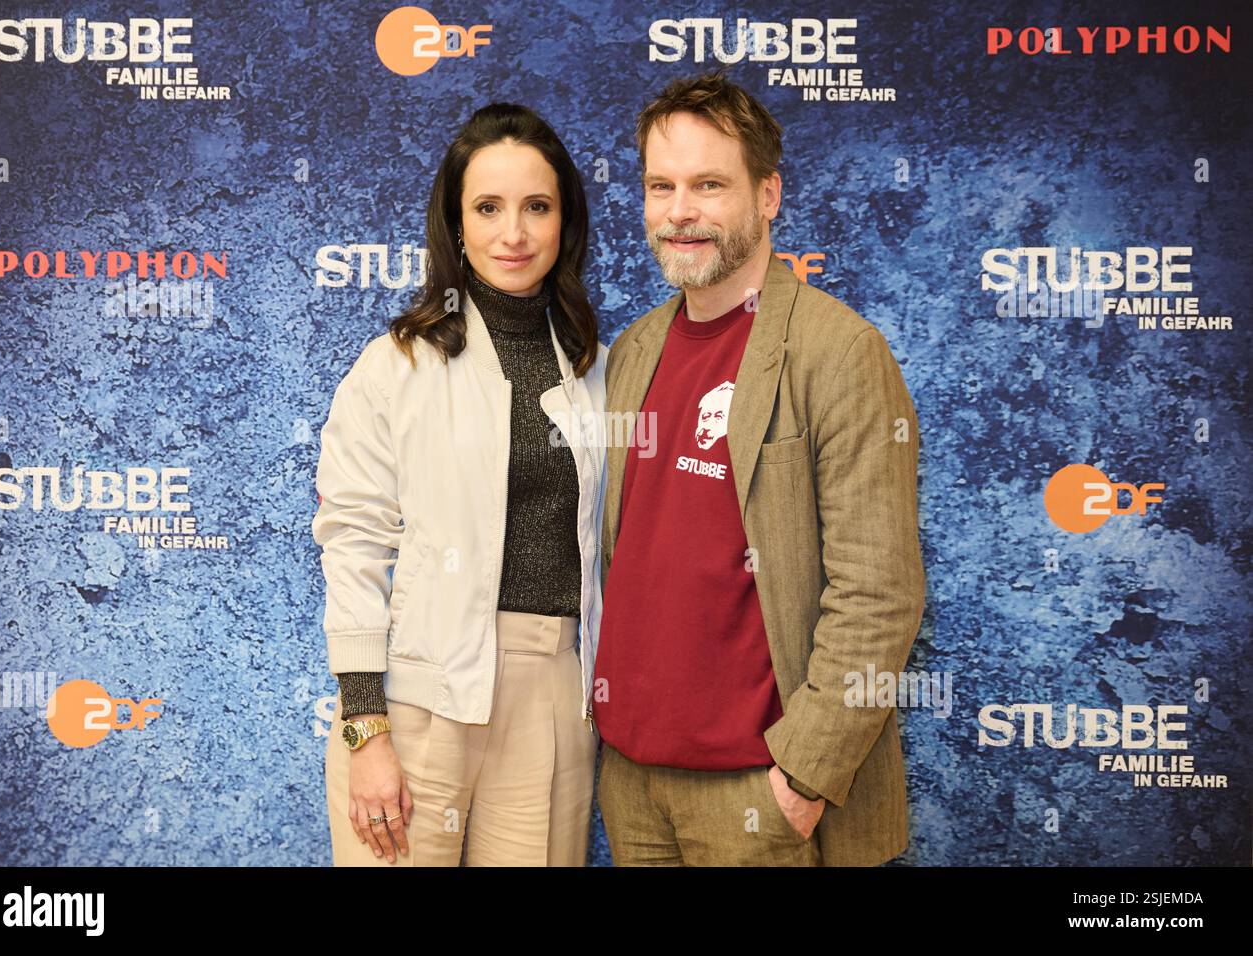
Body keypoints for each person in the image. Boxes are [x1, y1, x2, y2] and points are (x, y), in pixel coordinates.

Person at [594, 70, 926, 866]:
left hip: (758, 791)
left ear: (768, 195)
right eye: (661, 186)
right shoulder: (633, 351)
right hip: (632, 783)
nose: (680, 212)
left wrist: (803, 775)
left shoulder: (838, 351)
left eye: (710, 185)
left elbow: (880, 592)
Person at [312, 102, 607, 866]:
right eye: (488, 207)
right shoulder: (398, 364)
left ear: (565, 220)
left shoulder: (597, 367)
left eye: (536, 207)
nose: (513, 233)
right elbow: (353, 543)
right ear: (455, 221)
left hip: (550, 697)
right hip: (414, 707)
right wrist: (364, 726)